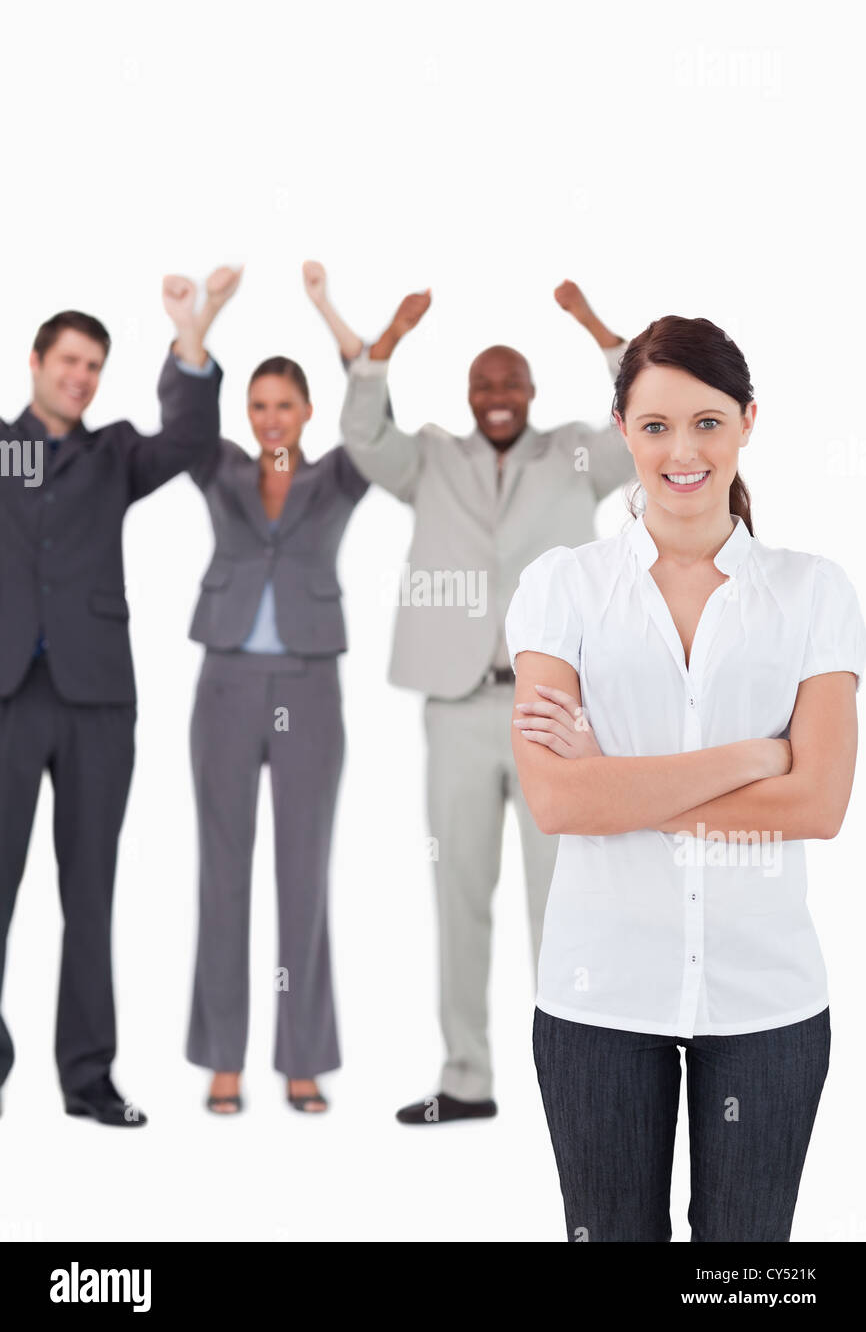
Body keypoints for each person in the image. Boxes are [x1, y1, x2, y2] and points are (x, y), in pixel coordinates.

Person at [506, 314, 866, 1241]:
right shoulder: (564, 588)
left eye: (707, 422)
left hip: (767, 1000)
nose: (683, 451)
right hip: (599, 998)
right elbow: (556, 800)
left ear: (748, 420)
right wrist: (755, 756)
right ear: (621, 427)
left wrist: (619, 789)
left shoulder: (812, 591)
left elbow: (820, 805)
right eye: (657, 425)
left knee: (743, 1278)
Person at [336, 281, 634, 1123]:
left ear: (532, 393)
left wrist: (592, 324)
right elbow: (362, 434)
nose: (496, 398)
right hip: (458, 706)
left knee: (563, 897)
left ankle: (574, 1073)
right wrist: (389, 337)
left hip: (556, 713)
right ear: (469, 395)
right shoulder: (429, 459)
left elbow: (639, 414)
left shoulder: (581, 454)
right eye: (483, 385)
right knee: (458, 893)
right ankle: (465, 1076)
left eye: (510, 384)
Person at [0, 274, 224, 1125]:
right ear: (36, 362)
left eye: (94, 365)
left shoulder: (115, 455)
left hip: (97, 702)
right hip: (8, 695)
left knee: (89, 893)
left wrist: (190, 334)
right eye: (69, 361)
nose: (82, 378)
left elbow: (193, 439)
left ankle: (89, 1077)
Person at [181, 267, 374, 1115]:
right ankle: (224, 1055)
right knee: (222, 874)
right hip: (224, 682)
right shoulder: (217, 468)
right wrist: (205, 320)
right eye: (258, 406)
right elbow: (183, 414)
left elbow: (375, 415)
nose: (270, 420)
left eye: (284, 406)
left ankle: (302, 1055)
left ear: (306, 412)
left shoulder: (336, 477)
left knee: (304, 871)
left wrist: (328, 311)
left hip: (309, 682)